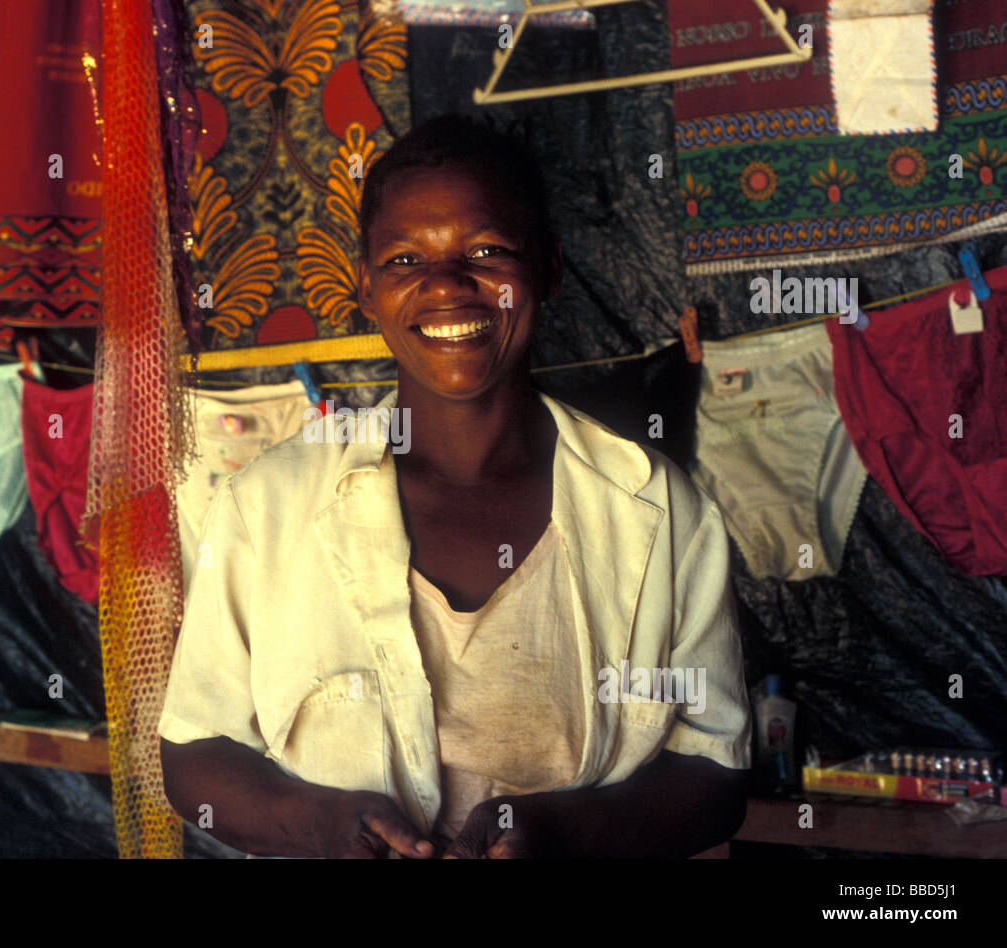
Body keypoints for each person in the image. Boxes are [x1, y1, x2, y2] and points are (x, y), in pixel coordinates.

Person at [159, 115, 751, 859]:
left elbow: (716, 770)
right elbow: (194, 753)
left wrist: (563, 830)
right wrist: (320, 822)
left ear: (551, 269)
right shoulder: (266, 507)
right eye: (406, 258)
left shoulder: (660, 512)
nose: (445, 285)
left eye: (486, 251)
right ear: (367, 290)